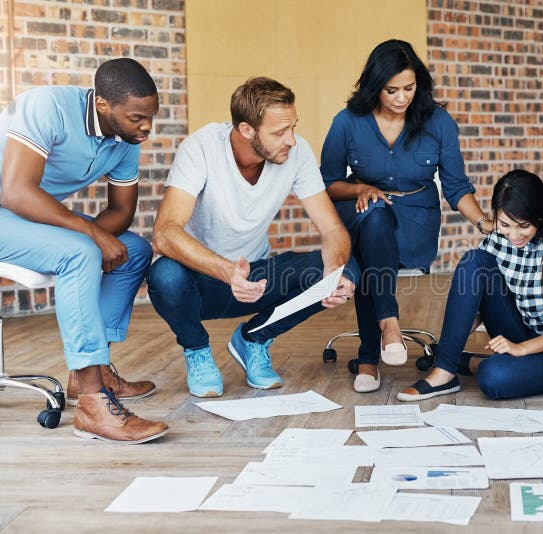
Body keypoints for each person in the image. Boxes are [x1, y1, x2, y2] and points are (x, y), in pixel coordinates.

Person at [147, 77, 356, 398]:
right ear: (246, 129)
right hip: (199, 282)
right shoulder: (201, 147)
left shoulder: (297, 153)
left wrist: (333, 273)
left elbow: (333, 230)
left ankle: (254, 338)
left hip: (256, 280)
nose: (291, 140)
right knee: (165, 275)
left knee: (346, 268)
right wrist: (228, 271)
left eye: (293, 128)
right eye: (279, 132)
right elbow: (165, 233)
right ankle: (197, 349)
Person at [0, 58, 167, 444]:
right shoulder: (49, 107)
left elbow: (122, 211)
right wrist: (90, 238)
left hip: (28, 216)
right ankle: (93, 404)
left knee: (132, 250)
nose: (146, 127)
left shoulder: (125, 138)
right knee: (79, 253)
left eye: (151, 117)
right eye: (138, 117)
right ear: (103, 105)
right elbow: (16, 191)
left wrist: (98, 239)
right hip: (10, 205)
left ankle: (91, 371)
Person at [320, 39, 492, 393]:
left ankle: (369, 358)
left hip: (415, 223)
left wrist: (483, 223)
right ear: (374, 86)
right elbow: (327, 184)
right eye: (391, 90)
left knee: (370, 251)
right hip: (361, 212)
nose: (401, 98)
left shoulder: (438, 122)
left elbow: (456, 187)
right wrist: (360, 189)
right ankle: (389, 326)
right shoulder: (347, 122)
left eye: (409, 88)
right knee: (373, 219)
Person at [397, 170, 543, 401]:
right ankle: (445, 371)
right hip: (519, 332)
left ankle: (474, 363)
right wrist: (454, 340)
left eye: (524, 226)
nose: (514, 235)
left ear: (540, 217)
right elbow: (481, 304)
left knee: (493, 377)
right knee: (474, 260)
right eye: (505, 224)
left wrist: (520, 349)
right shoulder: (496, 241)